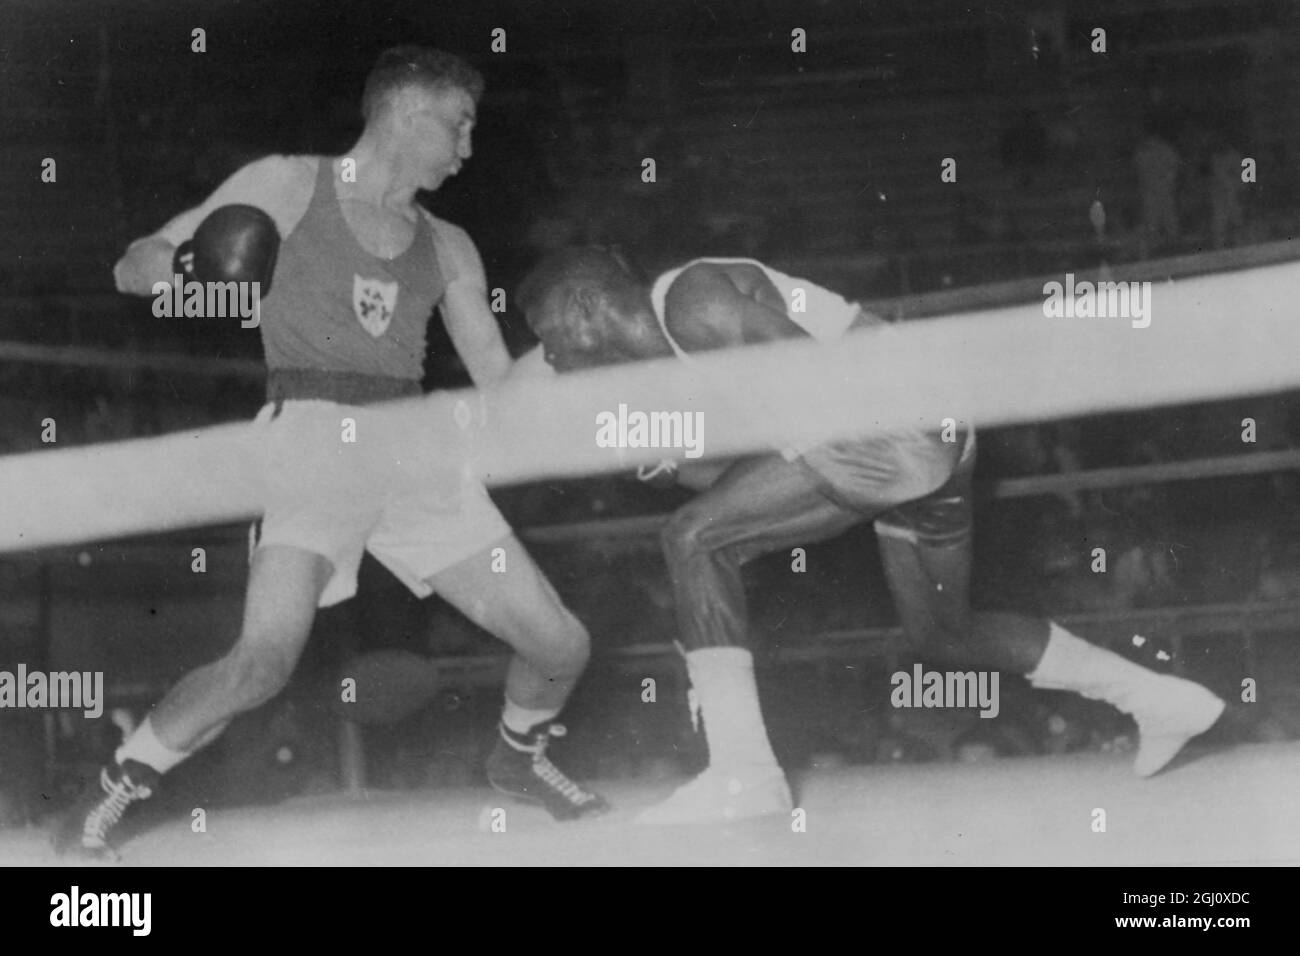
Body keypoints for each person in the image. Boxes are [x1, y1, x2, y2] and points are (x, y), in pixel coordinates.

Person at [56, 48, 608, 859]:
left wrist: (568, 352)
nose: (466, 148)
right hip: (311, 445)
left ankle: (520, 758)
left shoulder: (450, 245)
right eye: (458, 126)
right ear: (406, 114)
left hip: (414, 451)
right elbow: (134, 265)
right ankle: (111, 792)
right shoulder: (287, 184)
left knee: (562, 645)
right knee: (261, 663)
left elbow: (496, 382)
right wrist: (178, 265)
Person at [516, 247, 1226, 825]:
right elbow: (780, 462)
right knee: (942, 634)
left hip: (893, 419)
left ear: (584, 310)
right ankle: (1161, 701)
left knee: (694, 541)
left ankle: (743, 772)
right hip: (930, 436)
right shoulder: (671, 361)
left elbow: (822, 395)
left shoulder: (690, 303)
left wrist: (696, 454)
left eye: (550, 341)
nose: (553, 361)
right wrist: (681, 461)